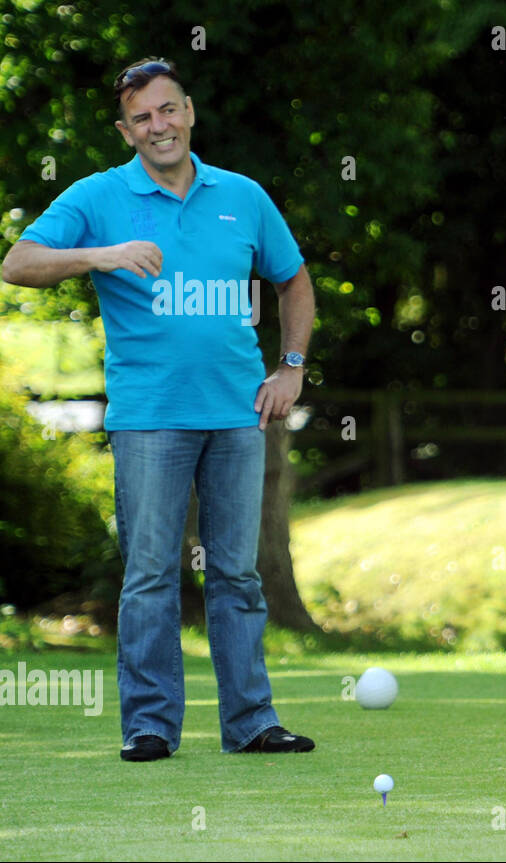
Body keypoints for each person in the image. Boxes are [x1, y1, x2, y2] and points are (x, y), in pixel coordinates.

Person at [1, 58, 318, 761]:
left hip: (239, 415)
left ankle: (251, 722)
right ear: (125, 131)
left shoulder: (242, 196)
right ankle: (149, 727)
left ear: (190, 112)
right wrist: (101, 255)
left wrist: (290, 368)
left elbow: (294, 281)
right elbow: (16, 264)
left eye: (168, 110)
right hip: (149, 417)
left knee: (236, 574)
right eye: (142, 117)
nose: (159, 125)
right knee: (149, 574)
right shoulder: (98, 198)